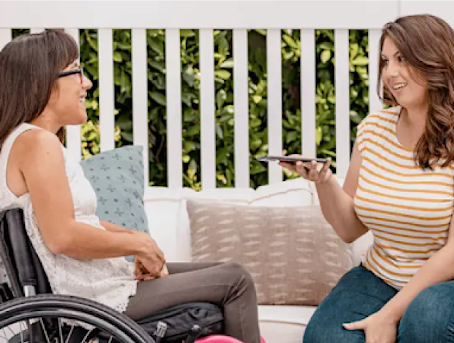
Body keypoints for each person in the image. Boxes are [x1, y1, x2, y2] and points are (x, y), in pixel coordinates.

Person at [0, 30, 261, 343]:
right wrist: (137, 245)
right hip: (86, 302)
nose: (87, 83)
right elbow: (62, 237)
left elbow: (79, 222)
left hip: (89, 291)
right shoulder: (37, 142)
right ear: (43, 81)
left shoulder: (25, 141)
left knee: (221, 270)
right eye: (77, 71)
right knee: (236, 280)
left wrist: (138, 239)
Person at [280, 15, 454, 343]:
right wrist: (323, 181)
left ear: (434, 61)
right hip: (384, 275)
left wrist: (389, 315)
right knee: (326, 337)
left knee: (427, 319)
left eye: (403, 59)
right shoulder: (374, 130)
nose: (390, 73)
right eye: (386, 61)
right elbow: (350, 228)